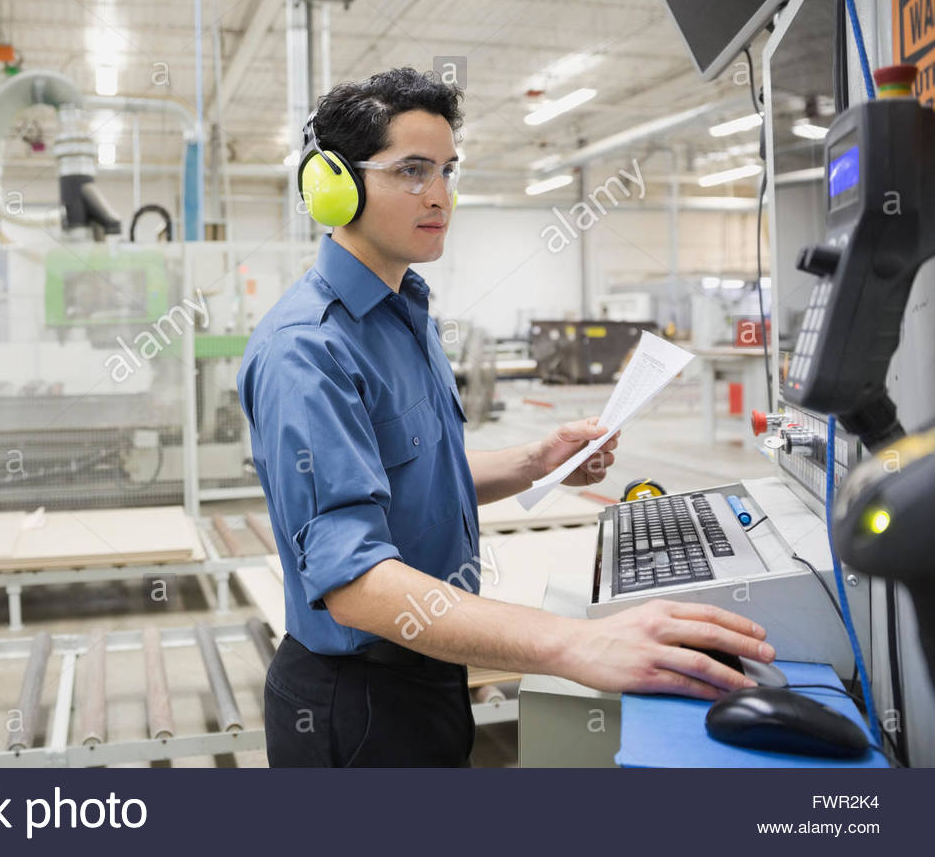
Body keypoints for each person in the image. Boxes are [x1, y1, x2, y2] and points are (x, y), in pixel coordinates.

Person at [235, 68, 774, 767]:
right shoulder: (306, 350)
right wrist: (574, 643)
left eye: (448, 171)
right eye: (412, 171)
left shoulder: (408, 312)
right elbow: (355, 587)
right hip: (356, 701)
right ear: (333, 186)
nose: (440, 196)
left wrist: (532, 462)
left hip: (433, 666)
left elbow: (418, 472)